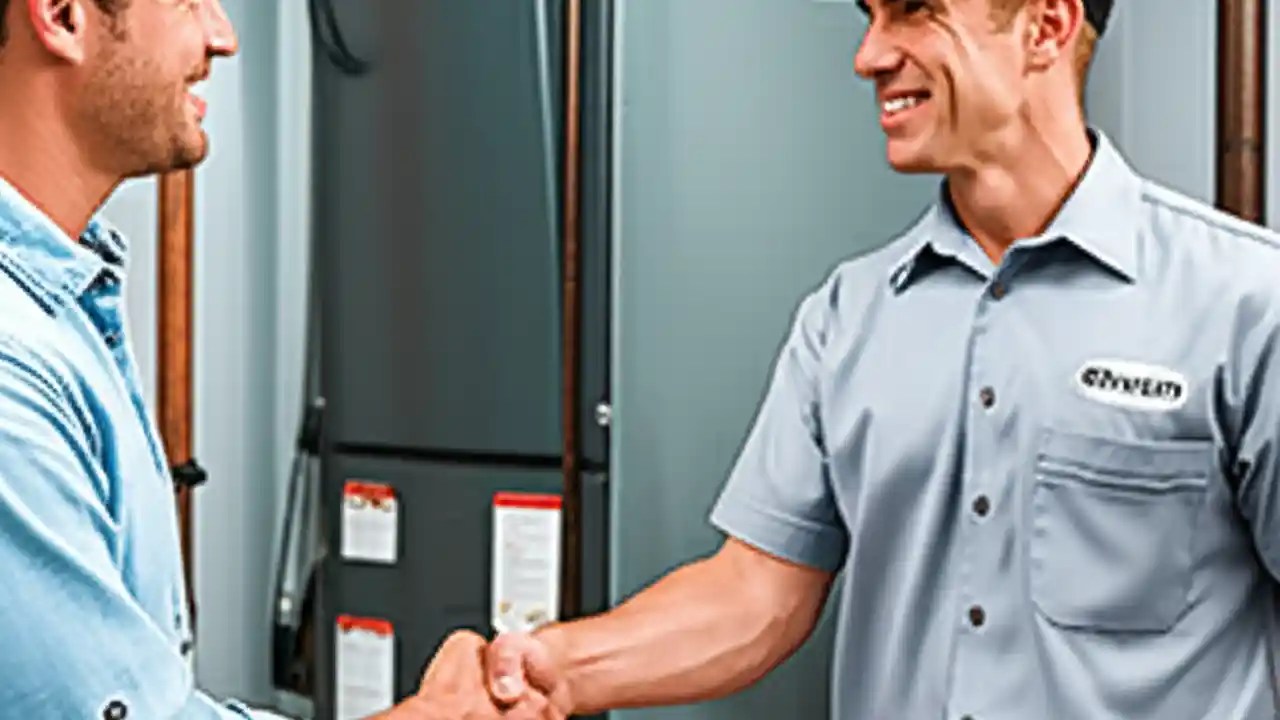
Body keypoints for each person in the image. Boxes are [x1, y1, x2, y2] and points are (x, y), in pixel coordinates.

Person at [434, 0, 1280, 718]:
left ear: (1045, 27)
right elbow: (753, 597)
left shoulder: (1245, 302)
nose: (869, 55)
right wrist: (545, 669)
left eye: (915, 10)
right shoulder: (848, 317)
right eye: (869, 15)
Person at [0, 1, 545, 718]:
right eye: (191, 1)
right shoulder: (13, 363)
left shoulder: (62, 303)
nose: (221, 37)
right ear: (65, 15)